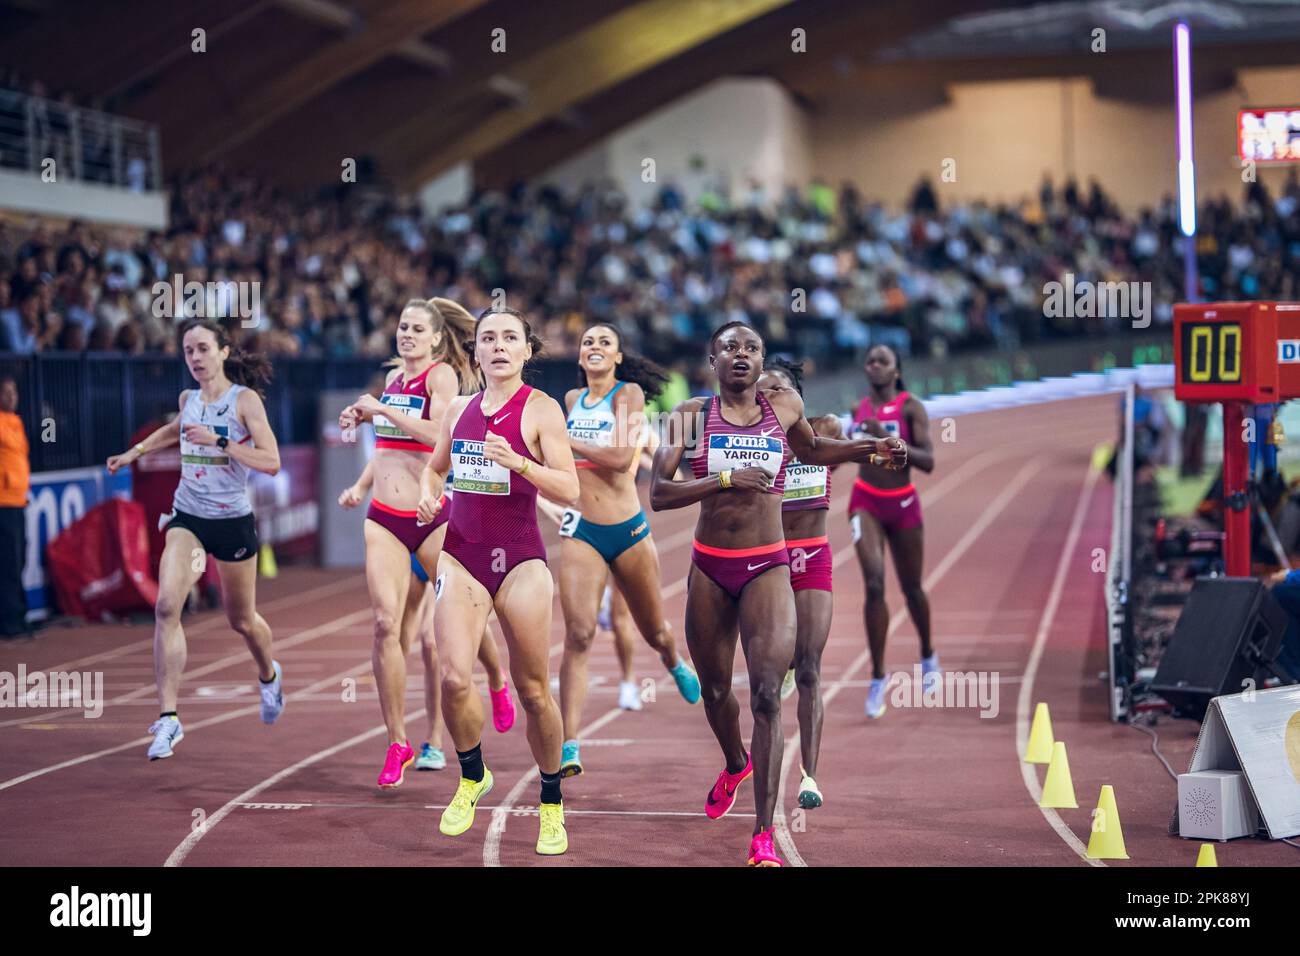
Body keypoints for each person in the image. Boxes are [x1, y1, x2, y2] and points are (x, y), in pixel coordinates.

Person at [650, 321, 905, 867]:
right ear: (712, 360)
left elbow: (815, 450)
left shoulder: (783, 409)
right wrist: (722, 481)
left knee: (768, 693)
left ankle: (763, 835)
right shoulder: (688, 417)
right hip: (711, 570)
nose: (741, 355)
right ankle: (735, 760)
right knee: (717, 694)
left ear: (761, 359)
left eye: (751, 348)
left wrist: (871, 450)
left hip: (768, 566)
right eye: (730, 348)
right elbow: (659, 493)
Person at [337, 298, 518, 787]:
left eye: (417, 328)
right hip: (384, 518)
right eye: (402, 327)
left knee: (462, 613)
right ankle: (398, 739)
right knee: (382, 623)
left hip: (433, 515)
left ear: (437, 338)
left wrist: (380, 410)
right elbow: (389, 448)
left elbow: (440, 432)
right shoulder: (394, 382)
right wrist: (362, 454)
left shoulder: (440, 379)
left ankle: (498, 681)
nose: (407, 334)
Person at [418, 307, 579, 856]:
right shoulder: (459, 410)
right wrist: (428, 492)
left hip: (521, 559)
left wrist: (521, 463)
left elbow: (570, 489)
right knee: (454, 678)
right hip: (461, 556)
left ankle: (551, 802)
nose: (498, 346)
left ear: (526, 351)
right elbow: (436, 468)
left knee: (534, 691)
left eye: (510, 338)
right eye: (488, 338)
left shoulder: (541, 410)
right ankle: (472, 776)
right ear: (476, 351)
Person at [107, 320, 284, 760]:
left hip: (232, 522)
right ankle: (169, 719)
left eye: (204, 349)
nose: (196, 358)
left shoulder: (244, 402)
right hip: (189, 516)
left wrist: (221, 441)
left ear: (223, 352)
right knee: (167, 605)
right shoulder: (188, 400)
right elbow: (173, 430)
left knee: (241, 620)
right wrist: (135, 452)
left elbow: (272, 461)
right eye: (189, 351)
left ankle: (269, 675)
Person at [557, 323, 699, 777]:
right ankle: (569, 744)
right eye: (588, 343)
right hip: (582, 531)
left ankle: (672, 659)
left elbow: (621, 459)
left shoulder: (629, 394)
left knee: (653, 629)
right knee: (578, 635)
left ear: (617, 357)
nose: (594, 347)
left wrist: (564, 440)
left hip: (628, 529)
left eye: (604, 342)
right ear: (580, 358)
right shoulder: (569, 401)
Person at [338, 457, 515, 774]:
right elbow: (386, 451)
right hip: (401, 532)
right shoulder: (394, 413)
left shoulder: (453, 413)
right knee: (396, 636)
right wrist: (361, 486)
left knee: (434, 643)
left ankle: (486, 687)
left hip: (445, 528)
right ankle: (399, 740)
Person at [757, 358, 841, 810]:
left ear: (795, 393)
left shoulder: (826, 426)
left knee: (810, 666)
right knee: (766, 679)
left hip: (813, 556)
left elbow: (835, 455)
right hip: (769, 560)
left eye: (777, 390)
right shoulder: (755, 441)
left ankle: (810, 776)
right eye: (761, 392)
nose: (768, 399)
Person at [848, 344, 936, 719]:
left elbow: (928, 461)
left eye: (883, 361)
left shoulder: (910, 407)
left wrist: (884, 434)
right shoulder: (857, 410)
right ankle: (878, 677)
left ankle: (928, 653)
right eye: (870, 361)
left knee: (912, 588)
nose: (875, 366)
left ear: (897, 369)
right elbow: (846, 454)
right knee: (873, 584)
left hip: (902, 502)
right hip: (865, 500)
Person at [0, 374, 31, 639]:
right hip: (3, 503)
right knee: (8, 564)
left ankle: (19, 616)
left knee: (19, 561)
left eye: (14, 392)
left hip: (19, 500)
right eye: (6, 392)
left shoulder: (17, 422)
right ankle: (10, 622)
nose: (12, 397)